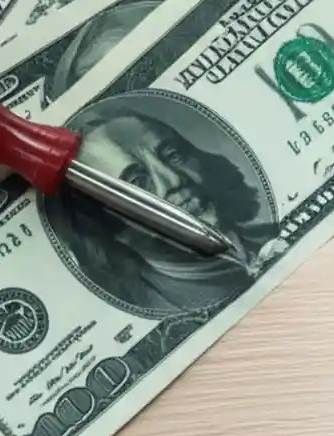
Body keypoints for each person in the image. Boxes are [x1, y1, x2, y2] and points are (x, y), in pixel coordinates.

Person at [46, 106, 276, 313]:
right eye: (136, 183)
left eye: (173, 156)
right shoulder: (163, 309)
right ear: (104, 225)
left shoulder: (276, 234)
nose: (174, 180)